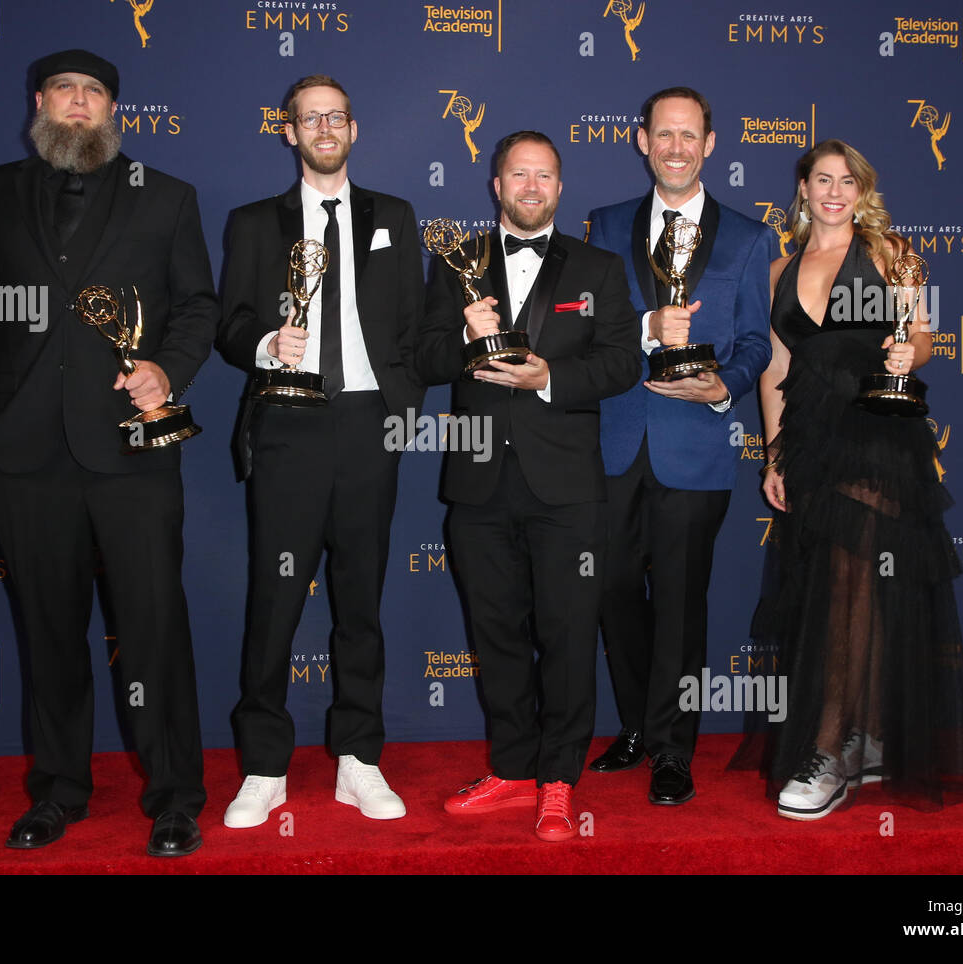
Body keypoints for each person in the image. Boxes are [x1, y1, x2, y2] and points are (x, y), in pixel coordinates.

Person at [0, 49, 217, 856]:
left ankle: (175, 796)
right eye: (64, 89)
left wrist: (168, 366)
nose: (78, 102)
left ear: (112, 110)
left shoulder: (166, 197)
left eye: (94, 92)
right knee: (48, 629)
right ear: (40, 102)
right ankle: (58, 792)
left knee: (154, 626)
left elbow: (197, 306)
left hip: (131, 449)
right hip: (22, 451)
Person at [732, 139, 963, 819]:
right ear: (804, 188)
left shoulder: (889, 253)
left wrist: (913, 349)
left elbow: (923, 333)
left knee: (855, 578)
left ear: (862, 190)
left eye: (848, 181)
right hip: (811, 442)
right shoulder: (779, 267)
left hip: (876, 433)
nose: (835, 192)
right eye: (824, 180)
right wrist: (774, 454)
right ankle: (867, 736)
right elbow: (773, 367)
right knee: (836, 584)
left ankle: (828, 748)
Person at [216, 75, 425, 829]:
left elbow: (412, 327)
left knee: (360, 603)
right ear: (288, 132)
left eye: (336, 116)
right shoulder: (253, 222)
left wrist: (406, 402)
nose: (325, 128)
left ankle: (358, 759)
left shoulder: (395, 216)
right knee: (274, 602)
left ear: (354, 129)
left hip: (371, 427)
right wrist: (269, 343)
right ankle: (265, 765)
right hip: (288, 424)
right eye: (311, 118)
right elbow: (229, 322)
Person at [422, 131, 640, 841]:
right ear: (496, 184)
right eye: (520, 173)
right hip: (479, 483)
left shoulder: (600, 269)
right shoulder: (455, 263)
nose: (532, 186)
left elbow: (620, 366)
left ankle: (557, 780)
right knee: (498, 635)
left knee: (569, 636)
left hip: (568, 489)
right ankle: (513, 769)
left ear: (560, 186)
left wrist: (551, 378)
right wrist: (461, 333)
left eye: (545, 175)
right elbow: (419, 358)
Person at [586, 88, 772, 804]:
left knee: (681, 604)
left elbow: (756, 341)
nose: (675, 146)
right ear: (641, 141)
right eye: (663, 133)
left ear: (711, 144)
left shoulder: (751, 238)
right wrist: (642, 330)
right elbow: (588, 324)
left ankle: (672, 749)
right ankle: (636, 723)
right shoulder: (603, 227)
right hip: (612, 441)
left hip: (697, 445)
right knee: (608, 589)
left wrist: (722, 388)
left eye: (688, 135)